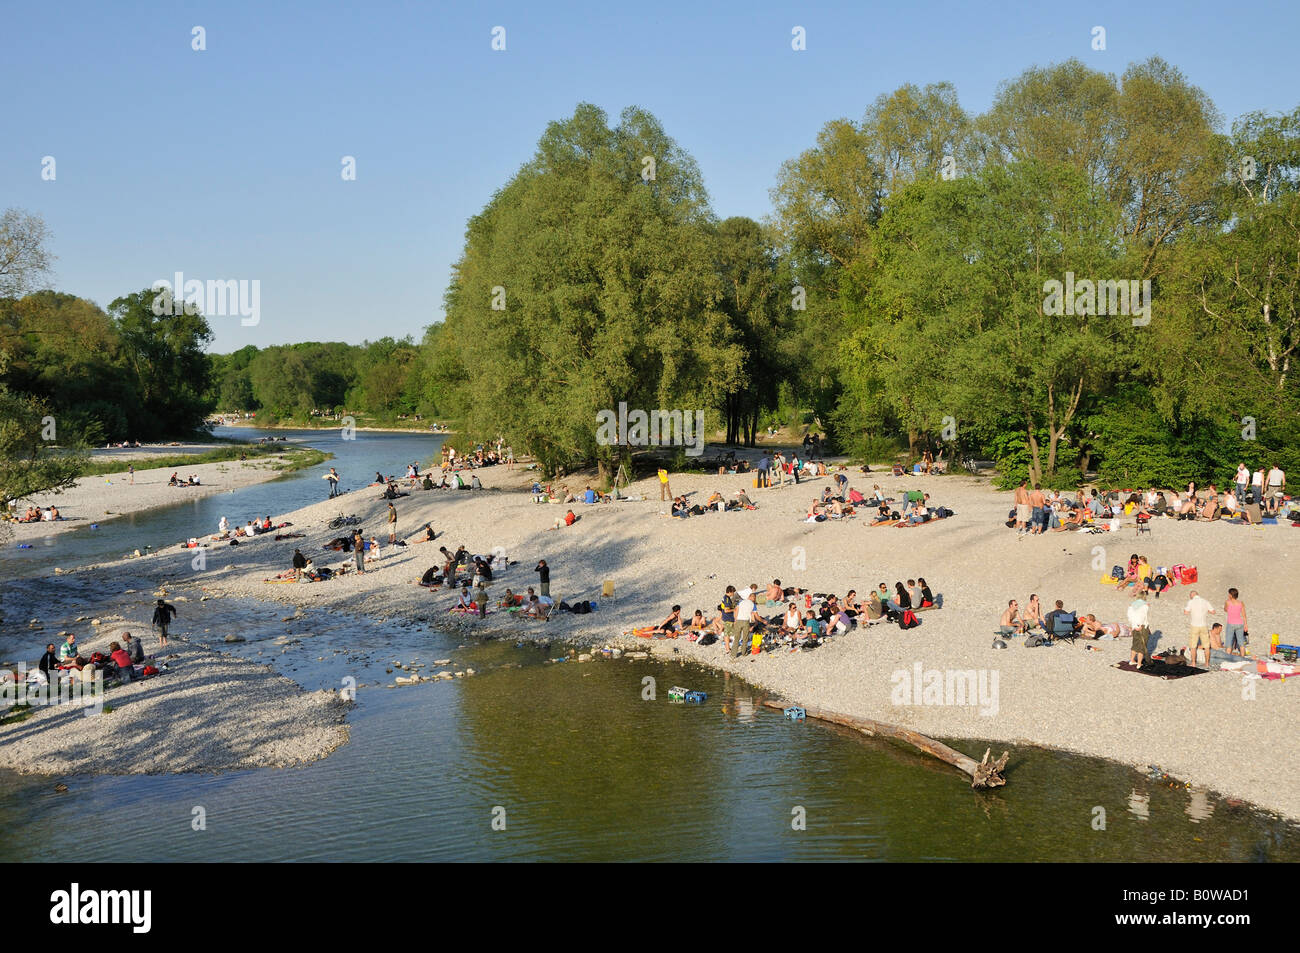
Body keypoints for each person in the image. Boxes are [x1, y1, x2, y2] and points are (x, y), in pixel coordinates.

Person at [1184, 589, 1215, 667]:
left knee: (1193, 646)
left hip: (1194, 625)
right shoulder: (1205, 601)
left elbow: (1186, 612)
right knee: (1206, 646)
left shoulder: (1191, 602)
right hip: (1204, 625)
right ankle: (1207, 663)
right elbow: (1213, 611)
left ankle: (1193, 663)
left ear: (1192, 596)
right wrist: (1204, 611)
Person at [1127, 592, 1151, 667]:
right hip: (1142, 626)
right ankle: (1139, 663)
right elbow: (1142, 616)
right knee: (1142, 646)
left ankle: (1132, 660)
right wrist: (1139, 625)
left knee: (1135, 643)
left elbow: (1129, 616)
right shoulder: (1145, 606)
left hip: (1134, 626)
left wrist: (1134, 625)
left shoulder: (1131, 606)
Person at [1223, 588, 1248, 656]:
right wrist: (1246, 625)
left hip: (1231, 623)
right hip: (1240, 623)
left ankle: (1228, 658)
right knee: (1241, 642)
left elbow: (1225, 610)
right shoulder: (1241, 603)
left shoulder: (1227, 602)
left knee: (1229, 642)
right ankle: (1242, 657)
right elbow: (1244, 615)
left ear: (1231, 595)